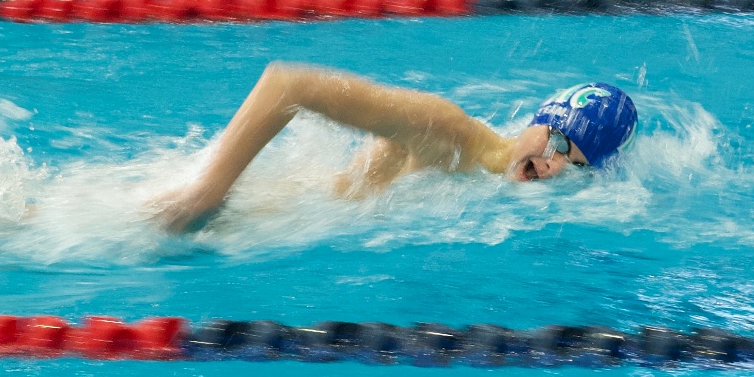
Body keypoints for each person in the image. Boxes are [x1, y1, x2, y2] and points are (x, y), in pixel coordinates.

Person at [151, 63, 637, 234]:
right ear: (538, 118)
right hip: (218, 219)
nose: (550, 166)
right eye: (555, 140)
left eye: (571, 164)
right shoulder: (447, 132)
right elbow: (287, 85)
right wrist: (205, 196)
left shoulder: (499, 197)